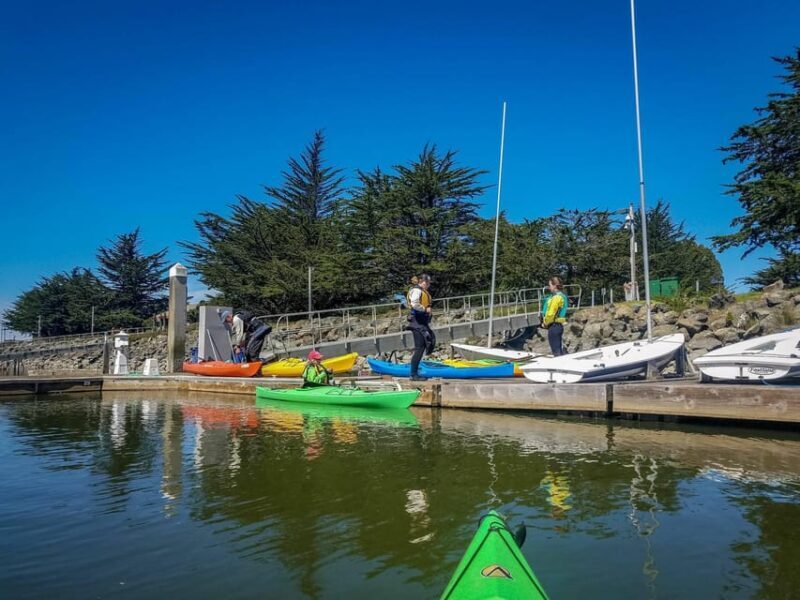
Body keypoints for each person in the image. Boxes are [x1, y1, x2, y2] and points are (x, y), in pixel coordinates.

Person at [406, 274, 436, 381]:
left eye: (428, 283)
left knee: (427, 342)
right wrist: (425, 309)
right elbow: (414, 304)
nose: (427, 285)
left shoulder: (423, 291)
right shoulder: (417, 291)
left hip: (422, 322)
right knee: (419, 348)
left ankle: (414, 372)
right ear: (421, 282)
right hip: (416, 322)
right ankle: (413, 374)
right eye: (425, 283)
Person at [541, 277, 568, 356]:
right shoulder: (562, 296)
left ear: (555, 286)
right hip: (559, 326)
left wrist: (545, 323)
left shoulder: (556, 298)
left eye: (550, 285)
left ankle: (559, 366)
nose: (549, 287)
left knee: (556, 351)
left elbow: (550, 314)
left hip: (554, 326)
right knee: (558, 349)